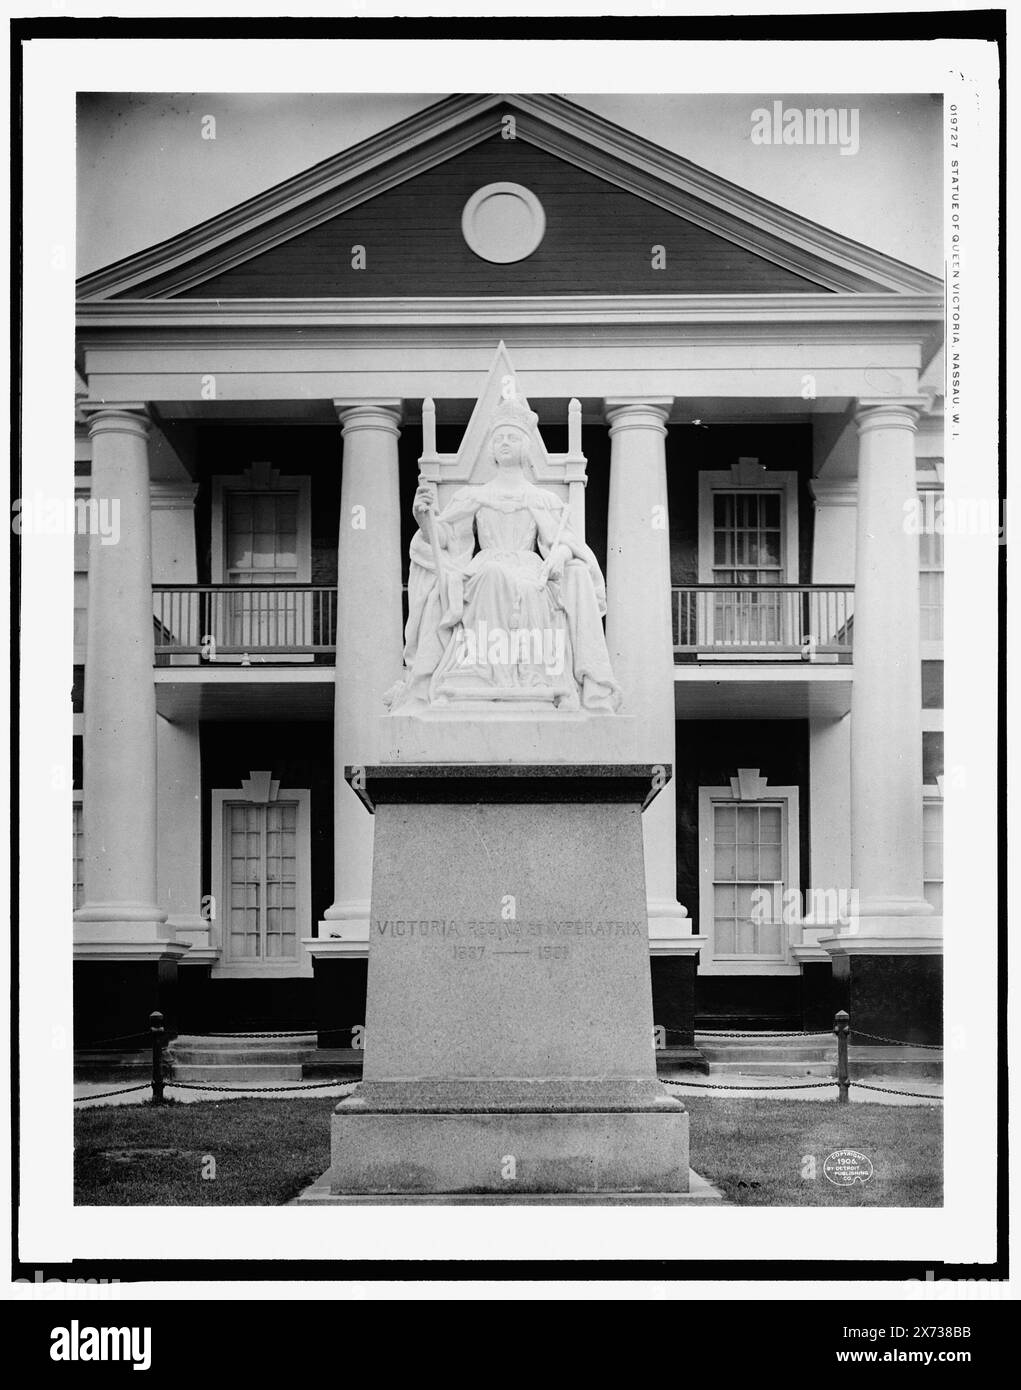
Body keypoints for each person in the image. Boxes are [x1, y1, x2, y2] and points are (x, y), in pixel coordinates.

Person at [385, 398, 622, 713]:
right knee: (492, 576)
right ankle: (482, 675)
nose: (505, 443)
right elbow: (444, 538)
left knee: (535, 584)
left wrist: (560, 555)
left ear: (524, 445)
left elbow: (564, 540)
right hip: (487, 568)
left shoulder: (542, 499)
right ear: (491, 449)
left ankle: (535, 678)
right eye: (499, 438)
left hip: (530, 569)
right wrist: (423, 517)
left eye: (511, 437)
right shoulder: (473, 496)